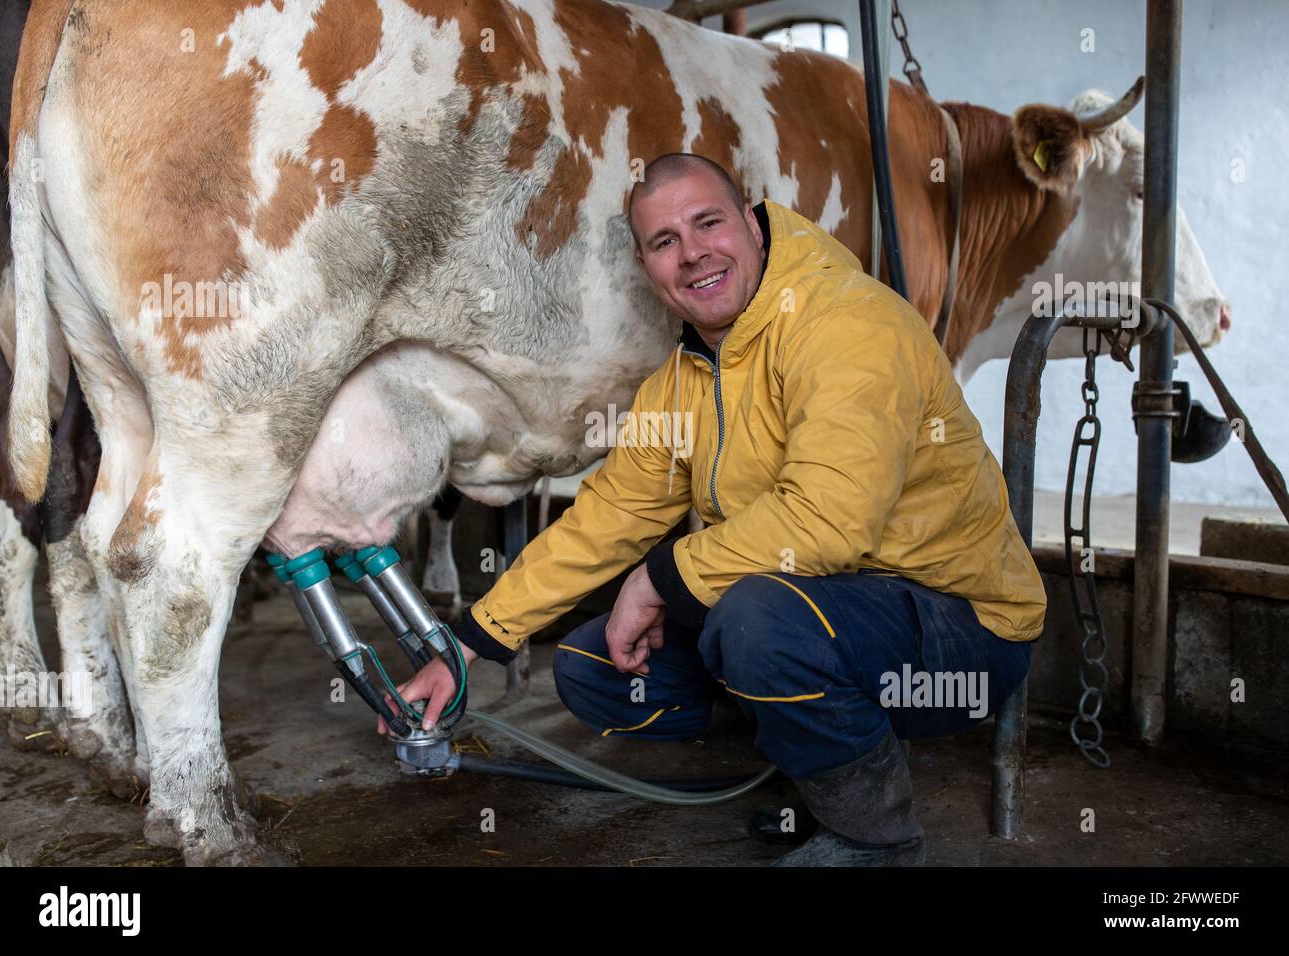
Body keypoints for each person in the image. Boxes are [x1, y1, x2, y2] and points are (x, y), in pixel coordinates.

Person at [379, 153, 1046, 866]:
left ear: (754, 226)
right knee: (591, 666)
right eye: (665, 242)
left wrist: (661, 578)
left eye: (708, 223)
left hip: (958, 624)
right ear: (646, 265)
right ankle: (818, 755)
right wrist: (472, 644)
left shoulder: (848, 324)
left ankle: (875, 837)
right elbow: (609, 517)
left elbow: (828, 521)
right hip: (822, 608)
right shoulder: (688, 374)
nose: (692, 252)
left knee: (757, 623)